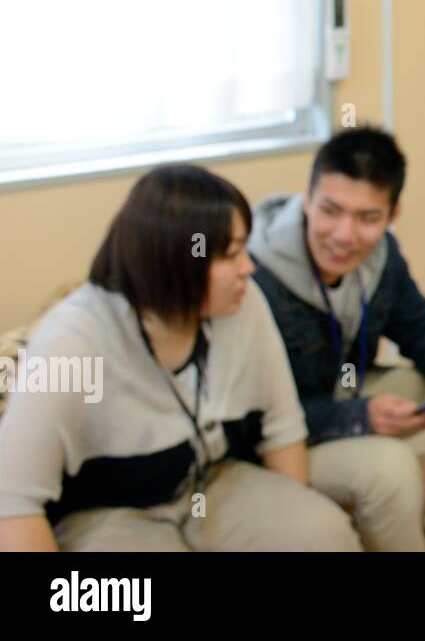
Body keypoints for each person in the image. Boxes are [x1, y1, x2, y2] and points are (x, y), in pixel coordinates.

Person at [0, 165, 363, 551]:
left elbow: (282, 425)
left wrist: (293, 519)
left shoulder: (244, 303)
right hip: (110, 511)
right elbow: (13, 501)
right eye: (231, 254)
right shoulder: (71, 341)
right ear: (175, 264)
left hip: (208, 481)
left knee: (325, 533)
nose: (248, 267)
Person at [249, 126, 425, 552]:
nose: (345, 235)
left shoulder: (382, 255)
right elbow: (250, 417)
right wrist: (361, 417)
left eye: (368, 218)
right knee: (393, 468)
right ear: (307, 200)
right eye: (331, 210)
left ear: (392, 214)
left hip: (346, 393)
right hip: (282, 436)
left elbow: (424, 328)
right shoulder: (256, 276)